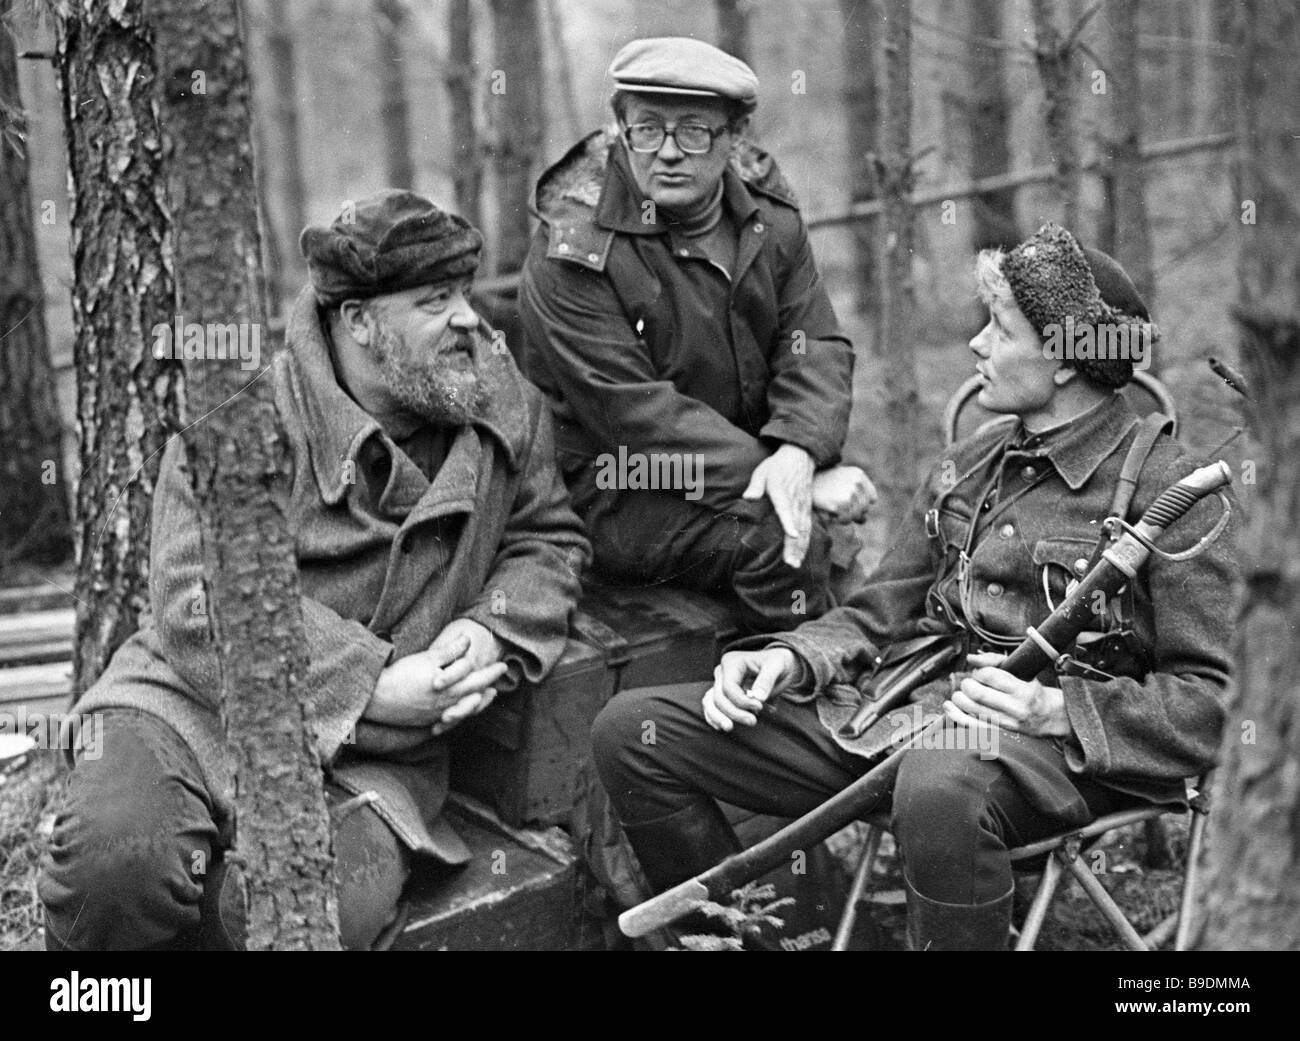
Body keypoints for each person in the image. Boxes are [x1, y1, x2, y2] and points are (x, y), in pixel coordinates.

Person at [592, 223, 1239, 950]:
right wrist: (790, 658)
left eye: (998, 327)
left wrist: (1058, 709)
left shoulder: (1174, 492)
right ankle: (761, 942)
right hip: (904, 718)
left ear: (1062, 358)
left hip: (1053, 756)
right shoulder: (970, 461)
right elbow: (877, 612)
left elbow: (1215, 702)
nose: (976, 346)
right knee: (632, 732)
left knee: (938, 785)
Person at [39, 190, 591, 950]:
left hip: (377, 766)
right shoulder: (241, 420)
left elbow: (548, 538)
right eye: (435, 300)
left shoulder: (503, 404)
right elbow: (194, 602)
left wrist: (492, 625)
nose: (469, 317)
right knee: (114, 871)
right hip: (191, 710)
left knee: (296, 918)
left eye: (464, 292)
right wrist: (367, 685)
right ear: (358, 321)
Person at [519, 37, 874, 632]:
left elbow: (813, 343)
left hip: (732, 463)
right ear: (620, 127)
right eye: (647, 130)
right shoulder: (574, 251)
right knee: (776, 532)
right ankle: (802, 696)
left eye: (693, 132)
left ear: (735, 137)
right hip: (617, 485)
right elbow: (634, 417)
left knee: (811, 529)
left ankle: (824, 661)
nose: (668, 154)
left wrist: (800, 449)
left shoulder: (769, 219)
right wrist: (791, 477)